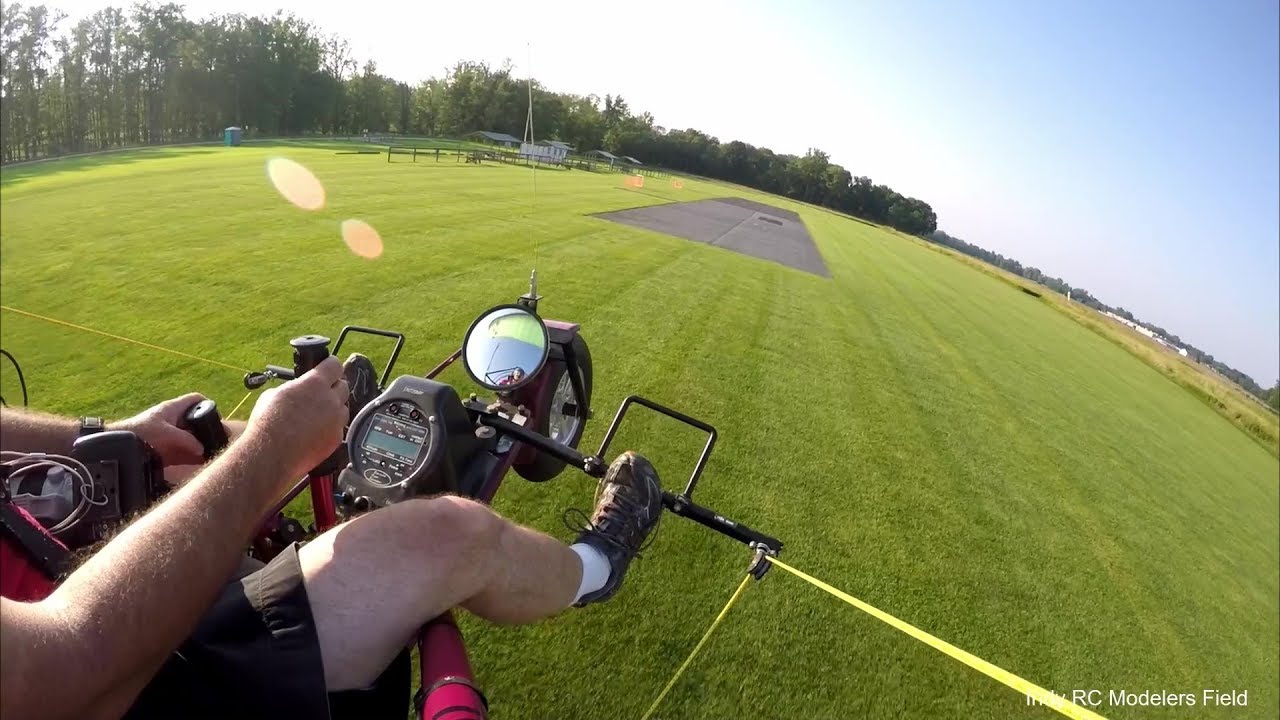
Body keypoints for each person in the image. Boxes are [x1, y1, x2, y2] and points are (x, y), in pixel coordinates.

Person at [0, 355, 663, 720]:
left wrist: (107, 432)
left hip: (41, 548)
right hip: (115, 680)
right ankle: (597, 565)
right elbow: (60, 672)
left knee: (191, 450)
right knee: (449, 532)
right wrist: (270, 448)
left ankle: (356, 446)